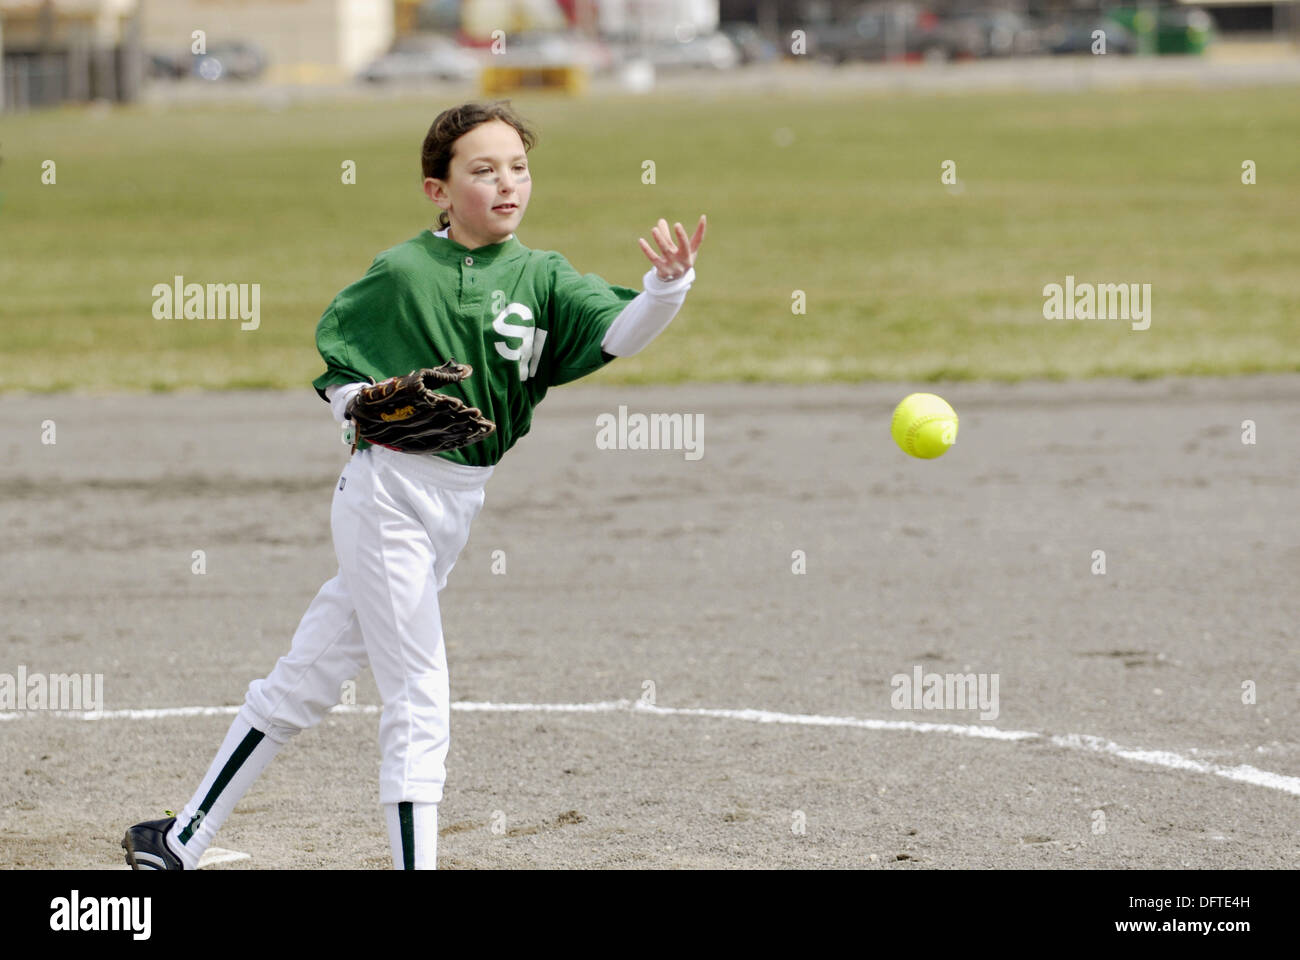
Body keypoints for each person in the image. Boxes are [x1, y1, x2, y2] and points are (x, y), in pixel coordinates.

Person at [121, 100, 707, 870]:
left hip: (456, 505)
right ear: (438, 189)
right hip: (387, 495)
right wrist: (362, 404)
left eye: (519, 167)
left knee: (308, 677)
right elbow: (340, 372)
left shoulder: (544, 275)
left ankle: (183, 838)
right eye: (483, 169)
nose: (507, 183)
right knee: (420, 696)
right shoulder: (403, 272)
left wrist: (666, 288)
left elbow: (616, 334)